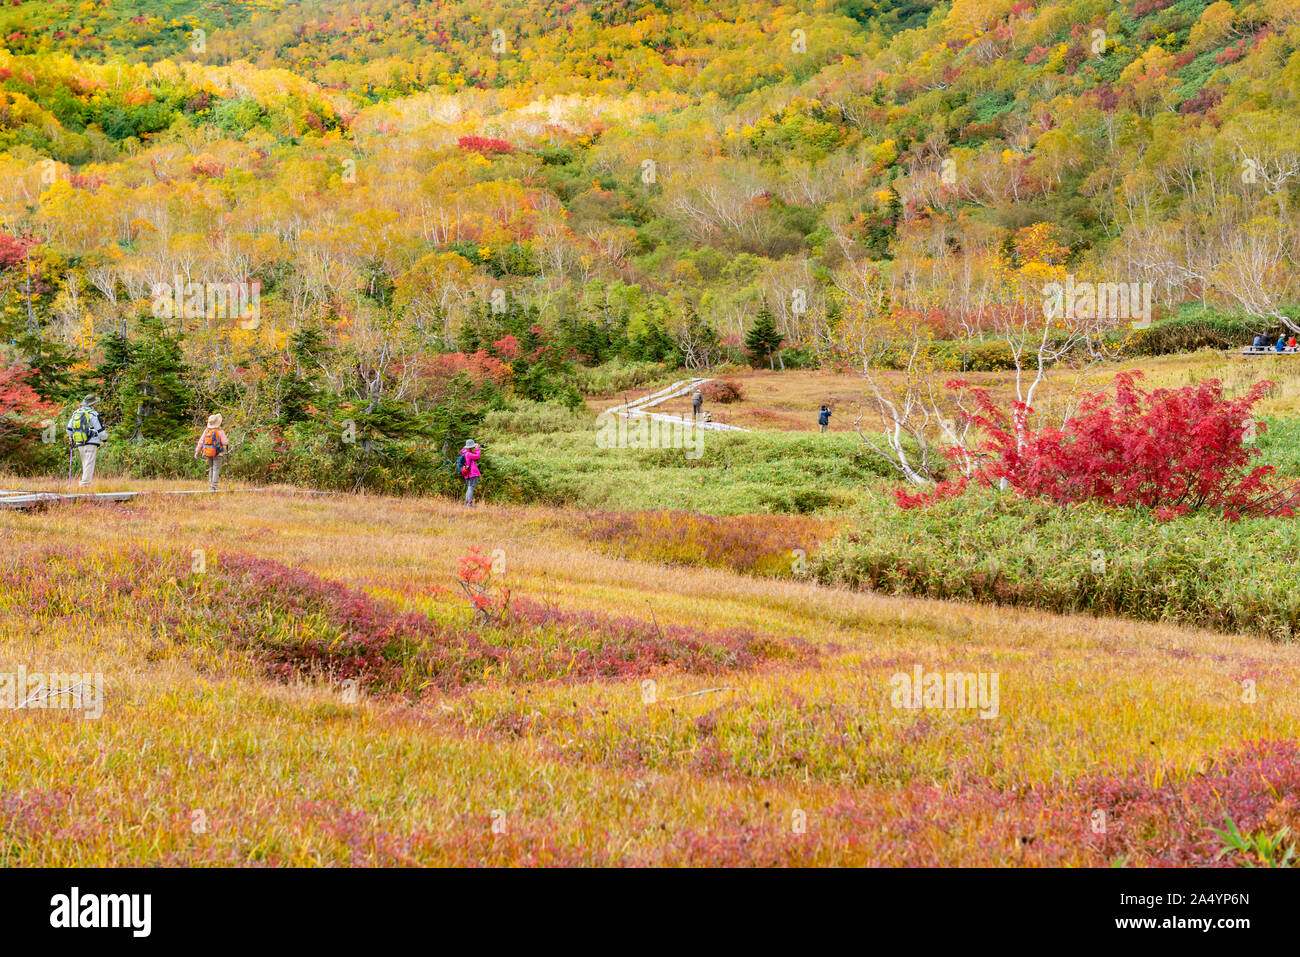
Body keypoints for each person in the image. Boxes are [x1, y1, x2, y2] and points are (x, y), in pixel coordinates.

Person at [65, 395, 107, 488]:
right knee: (89, 464)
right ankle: (84, 485)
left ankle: (85, 485)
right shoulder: (93, 414)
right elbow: (99, 428)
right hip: (91, 442)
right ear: (93, 403)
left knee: (86, 463)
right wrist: (104, 439)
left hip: (79, 442)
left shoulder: (76, 412)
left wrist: (70, 436)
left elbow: (69, 428)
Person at [194, 413, 229, 491]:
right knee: (216, 468)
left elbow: (201, 442)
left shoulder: (206, 431)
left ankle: (211, 485)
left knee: (211, 467)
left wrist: (197, 452)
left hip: (208, 452)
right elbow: (224, 442)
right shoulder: (220, 431)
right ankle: (214, 485)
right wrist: (227, 441)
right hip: (217, 453)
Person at [458, 439, 482, 506]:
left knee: (469, 487)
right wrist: (477, 449)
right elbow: (478, 456)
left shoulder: (465, 452)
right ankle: (469, 503)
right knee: (471, 487)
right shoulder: (468, 454)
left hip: (467, 473)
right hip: (471, 473)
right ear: (471, 447)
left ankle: (467, 503)